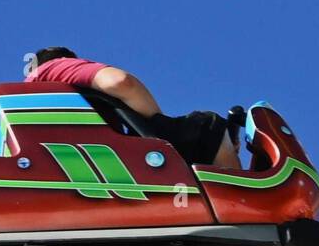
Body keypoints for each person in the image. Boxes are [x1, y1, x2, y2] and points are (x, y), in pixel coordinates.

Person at [26, 47, 241, 170]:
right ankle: (240, 202)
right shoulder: (50, 68)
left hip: (76, 165)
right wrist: (159, 129)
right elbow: (121, 82)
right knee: (208, 126)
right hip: (107, 164)